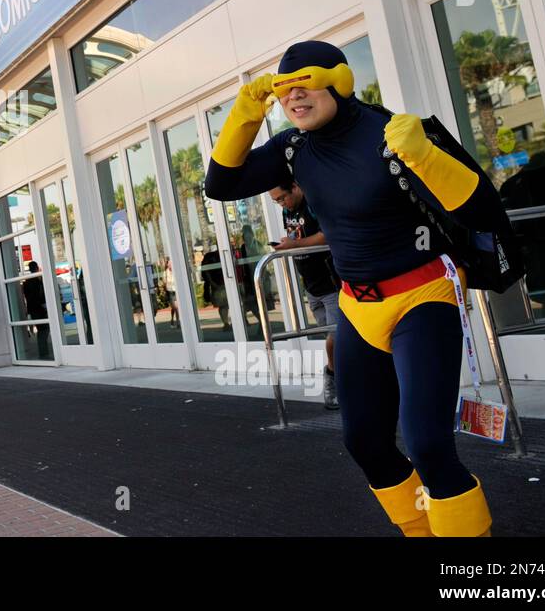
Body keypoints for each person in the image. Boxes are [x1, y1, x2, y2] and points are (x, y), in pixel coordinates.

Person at [205, 40, 495, 537]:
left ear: (338, 81)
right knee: (364, 441)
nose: (294, 97)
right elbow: (221, 184)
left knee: (427, 444)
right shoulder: (293, 147)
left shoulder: (390, 133)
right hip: (356, 308)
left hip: (423, 297)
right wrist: (246, 112)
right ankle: (420, 531)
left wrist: (425, 156)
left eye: (306, 85)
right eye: (283, 90)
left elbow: (484, 211)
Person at [269, 180, 341, 410]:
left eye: (282, 198)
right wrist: (288, 244)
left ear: (295, 187)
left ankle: (333, 377)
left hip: (331, 283)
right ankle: (337, 377)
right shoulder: (288, 211)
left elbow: (327, 235)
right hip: (311, 285)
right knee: (331, 338)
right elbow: (296, 237)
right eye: (276, 201)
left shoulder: (314, 202)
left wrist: (295, 243)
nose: (282, 204)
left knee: (337, 338)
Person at [22, 261, 50, 359]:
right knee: (44, 330)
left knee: (41, 330)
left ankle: (43, 351)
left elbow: (27, 298)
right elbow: (40, 295)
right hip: (40, 309)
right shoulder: (38, 280)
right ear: (37, 268)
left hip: (33, 310)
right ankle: (43, 351)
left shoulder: (26, 283)